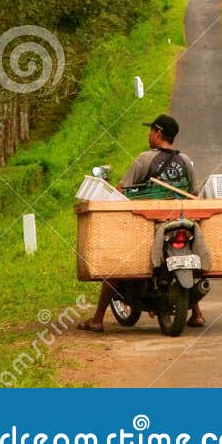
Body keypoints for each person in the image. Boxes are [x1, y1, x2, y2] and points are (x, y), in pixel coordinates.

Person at [78, 114, 205, 332]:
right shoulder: (185, 160)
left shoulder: (144, 159)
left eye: (151, 131)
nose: (149, 135)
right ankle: (197, 313)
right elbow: (194, 192)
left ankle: (98, 319)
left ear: (158, 133)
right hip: (182, 220)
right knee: (187, 258)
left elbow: (121, 190)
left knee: (117, 263)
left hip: (149, 224)